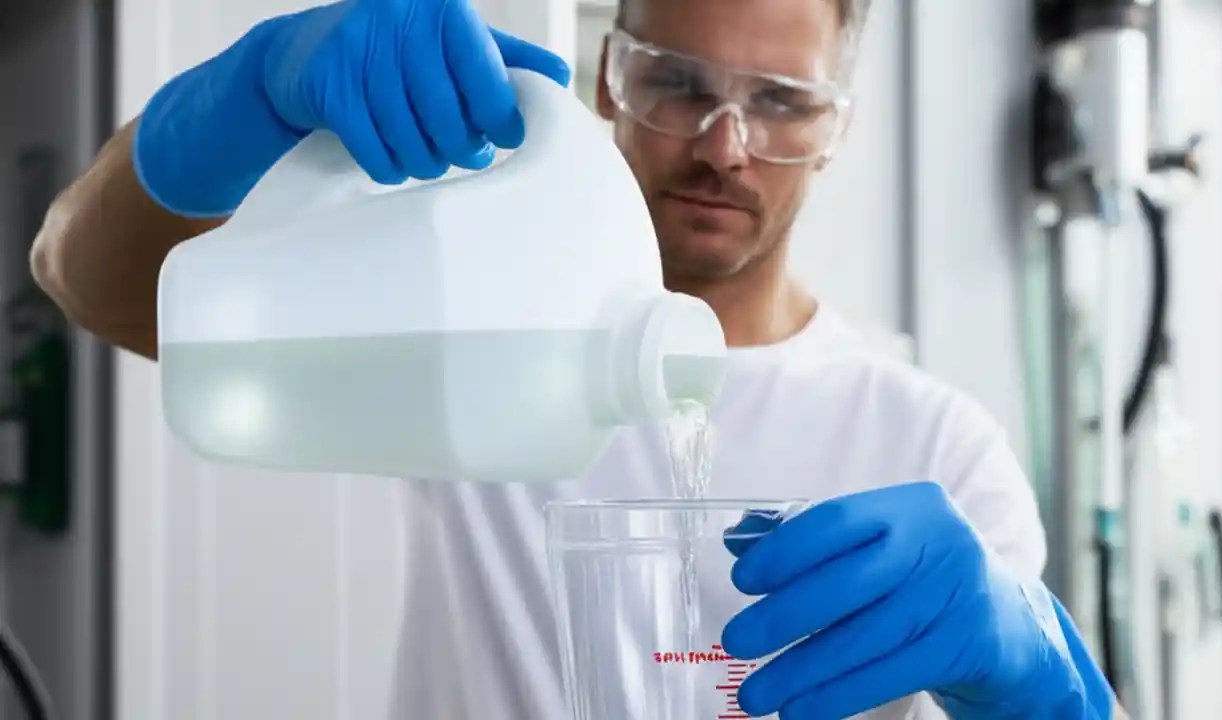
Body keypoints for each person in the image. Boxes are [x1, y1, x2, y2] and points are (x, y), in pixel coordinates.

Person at [29, 0, 1124, 717]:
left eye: (779, 103)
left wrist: (1018, 655)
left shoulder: (926, 440)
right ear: (609, 79)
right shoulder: (481, 344)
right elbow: (84, 276)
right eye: (679, 84)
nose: (722, 144)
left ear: (832, 128)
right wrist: (247, 97)